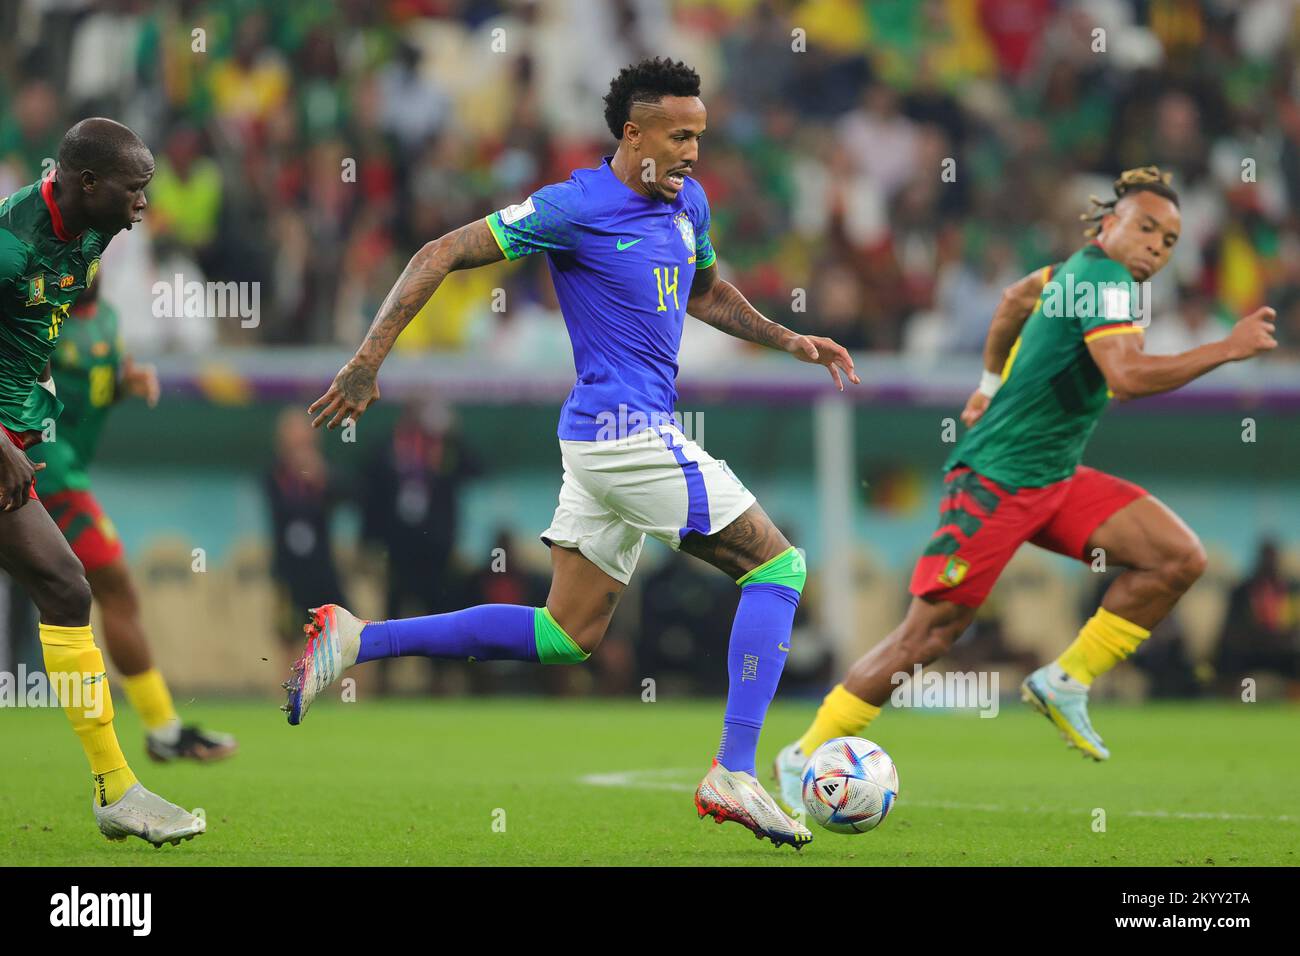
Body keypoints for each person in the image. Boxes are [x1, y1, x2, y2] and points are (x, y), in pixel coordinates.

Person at [288, 58, 859, 849]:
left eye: (702, 135)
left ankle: (358, 640)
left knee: (567, 633)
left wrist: (786, 337)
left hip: (608, 444)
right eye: (679, 135)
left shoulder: (686, 201)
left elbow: (704, 293)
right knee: (781, 568)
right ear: (633, 134)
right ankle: (734, 768)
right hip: (623, 435)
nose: (695, 151)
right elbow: (439, 252)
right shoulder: (574, 205)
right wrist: (366, 359)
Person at [774, 166, 1277, 808]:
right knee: (925, 638)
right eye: (1145, 226)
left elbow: (1013, 298)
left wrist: (987, 385)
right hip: (997, 482)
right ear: (1108, 223)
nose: (1157, 244)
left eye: (1170, 238)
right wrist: (1225, 350)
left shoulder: (1072, 273)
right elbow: (1124, 378)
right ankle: (803, 753)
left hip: (1055, 478)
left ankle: (1065, 681)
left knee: (1178, 556)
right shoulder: (1104, 279)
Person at [0, 118, 204, 846]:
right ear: (87, 183)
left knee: (66, 588)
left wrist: (108, 379)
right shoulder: (12, 238)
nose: (144, 204)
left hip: (19, 437)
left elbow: (38, 324)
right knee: (70, 586)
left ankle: (116, 790)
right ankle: (118, 787)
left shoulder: (96, 230)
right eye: (135, 188)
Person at [28, 271, 237, 762]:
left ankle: (161, 729)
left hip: (67, 470)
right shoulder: (42, 319)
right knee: (114, 587)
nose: (92, 259)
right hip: (48, 472)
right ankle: (161, 729)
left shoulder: (107, 317)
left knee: (102, 592)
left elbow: (98, 381)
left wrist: (128, 381)